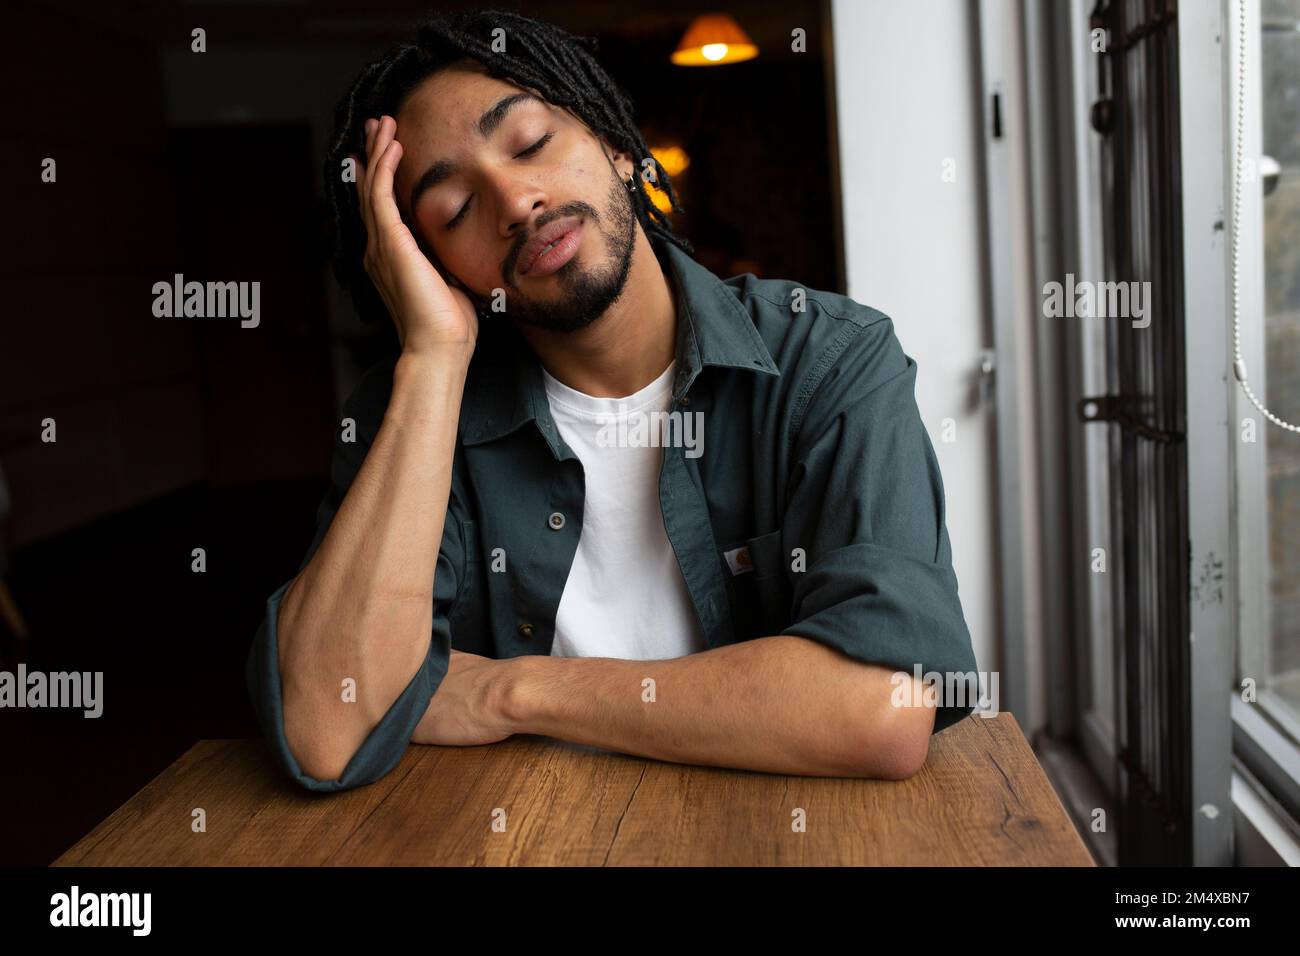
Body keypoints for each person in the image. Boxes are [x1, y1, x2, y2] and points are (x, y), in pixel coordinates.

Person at [245, 8, 978, 792]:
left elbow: (881, 706)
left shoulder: (828, 359)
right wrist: (432, 358)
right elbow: (325, 730)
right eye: (454, 210)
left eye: (531, 144)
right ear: (437, 267)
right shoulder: (413, 413)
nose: (515, 200)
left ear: (618, 147)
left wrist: (507, 692)